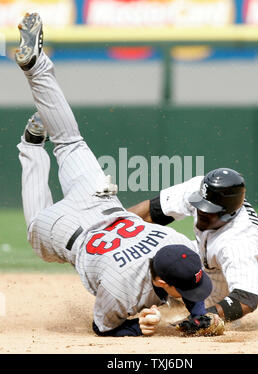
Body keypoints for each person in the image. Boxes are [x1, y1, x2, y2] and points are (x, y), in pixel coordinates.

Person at [14, 13, 220, 337]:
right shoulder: (120, 287)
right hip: (68, 229)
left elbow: (187, 279)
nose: (193, 295)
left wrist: (195, 313)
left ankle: (36, 65)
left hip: (102, 201)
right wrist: (139, 327)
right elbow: (103, 329)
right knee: (35, 230)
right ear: (161, 282)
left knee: (68, 139)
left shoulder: (177, 243)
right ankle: (30, 146)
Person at [129, 168, 258, 325]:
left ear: (229, 213)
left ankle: (204, 311)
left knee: (205, 323)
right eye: (200, 205)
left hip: (237, 278)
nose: (201, 211)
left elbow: (246, 298)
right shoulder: (201, 189)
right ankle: (163, 301)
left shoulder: (237, 242)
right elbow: (151, 212)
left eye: (209, 211)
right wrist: (114, 227)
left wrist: (200, 319)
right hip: (204, 253)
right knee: (160, 250)